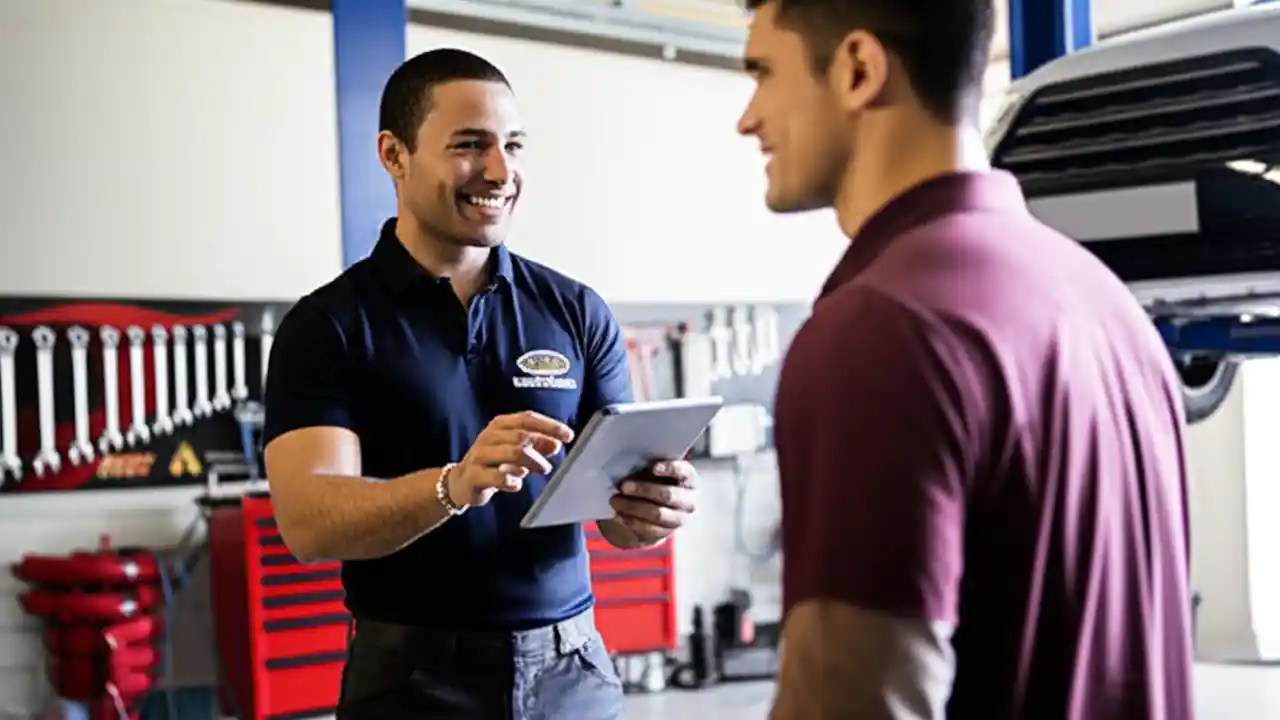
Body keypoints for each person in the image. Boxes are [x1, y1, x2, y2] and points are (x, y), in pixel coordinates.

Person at [736, 1, 1195, 719]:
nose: (748, 117)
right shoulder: (1106, 301)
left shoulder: (881, 330)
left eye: (763, 72)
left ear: (858, 68)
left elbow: (854, 704)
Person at [261, 48, 699, 720]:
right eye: (470, 146)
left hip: (571, 669)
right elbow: (309, 522)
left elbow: (617, 518)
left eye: (513, 145)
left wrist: (651, 512)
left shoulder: (575, 311)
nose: (499, 172)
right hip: (413, 679)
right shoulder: (329, 326)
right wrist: (453, 485)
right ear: (393, 154)